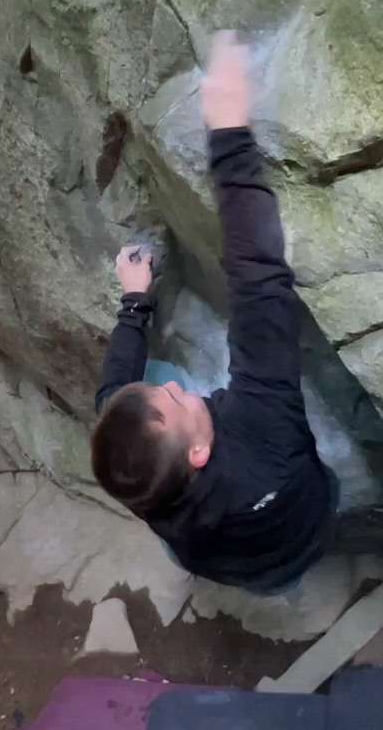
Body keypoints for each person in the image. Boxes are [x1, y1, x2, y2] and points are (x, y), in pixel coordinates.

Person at [90, 30, 336, 595]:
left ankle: (270, 583)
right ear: (199, 452)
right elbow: (258, 280)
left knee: (135, 411)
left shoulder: (145, 480)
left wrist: (135, 301)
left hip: (226, 558)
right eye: (176, 403)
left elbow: (114, 396)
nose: (177, 388)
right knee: (302, 519)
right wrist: (228, 133)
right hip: (309, 521)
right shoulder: (263, 424)